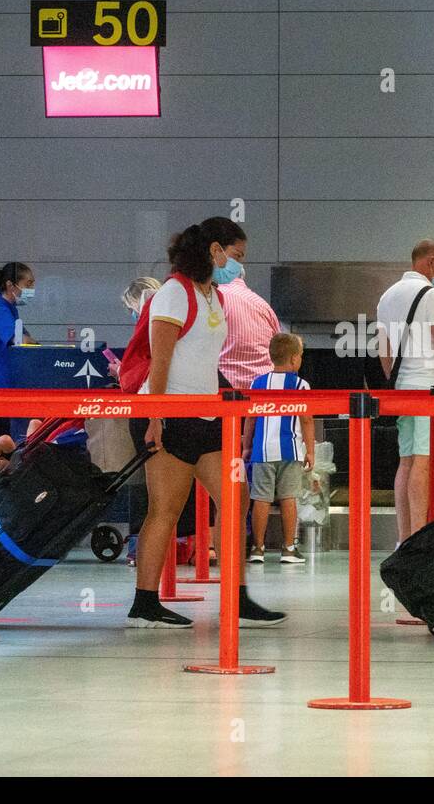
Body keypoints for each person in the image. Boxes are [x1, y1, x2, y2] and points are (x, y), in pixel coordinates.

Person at [128, 218, 285, 628]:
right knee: (165, 508)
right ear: (215, 250)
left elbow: (205, 360)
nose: (238, 266)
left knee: (236, 499)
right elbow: (159, 362)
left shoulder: (213, 295)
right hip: (168, 416)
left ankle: (237, 596)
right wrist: (155, 417)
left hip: (208, 415)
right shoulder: (173, 293)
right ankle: (145, 603)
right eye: (235, 256)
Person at [376, 239, 434, 545]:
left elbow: (384, 348)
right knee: (423, 459)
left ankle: (404, 537)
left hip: (401, 391)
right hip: (429, 388)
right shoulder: (433, 295)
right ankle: (422, 537)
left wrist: (395, 383)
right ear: (433, 262)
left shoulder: (387, 296)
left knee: (407, 459)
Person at [242, 333, 315, 565]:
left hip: (262, 451)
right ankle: (289, 548)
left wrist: (246, 446)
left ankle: (258, 548)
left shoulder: (257, 383)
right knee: (288, 498)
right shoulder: (301, 385)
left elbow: (250, 419)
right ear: (294, 359)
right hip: (290, 450)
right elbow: (307, 420)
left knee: (260, 499)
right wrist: (310, 450)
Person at [109, 277, 162, 566]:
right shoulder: (167, 323)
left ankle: (140, 547)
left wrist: (121, 372)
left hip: (146, 410)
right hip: (166, 408)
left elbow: (136, 377)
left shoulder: (149, 326)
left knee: (144, 482)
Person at [0, 261, 35, 447]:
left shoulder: (11, 311)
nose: (31, 289)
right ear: (11, 285)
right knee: (0, 456)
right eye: (28, 284)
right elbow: (20, 340)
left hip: (6, 392)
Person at [215, 234, 281, 391]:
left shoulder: (214, 300)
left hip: (225, 396)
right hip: (262, 398)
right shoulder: (263, 306)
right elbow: (280, 350)